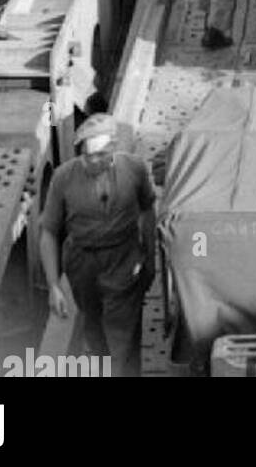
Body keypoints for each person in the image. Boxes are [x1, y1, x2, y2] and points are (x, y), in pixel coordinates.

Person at [39, 112, 155, 378]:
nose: (92, 161)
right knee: (92, 325)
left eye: (100, 155)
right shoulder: (63, 178)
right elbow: (48, 232)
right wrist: (53, 285)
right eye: (87, 155)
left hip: (123, 257)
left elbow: (148, 211)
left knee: (122, 331)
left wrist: (150, 258)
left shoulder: (135, 169)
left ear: (113, 148)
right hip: (82, 263)